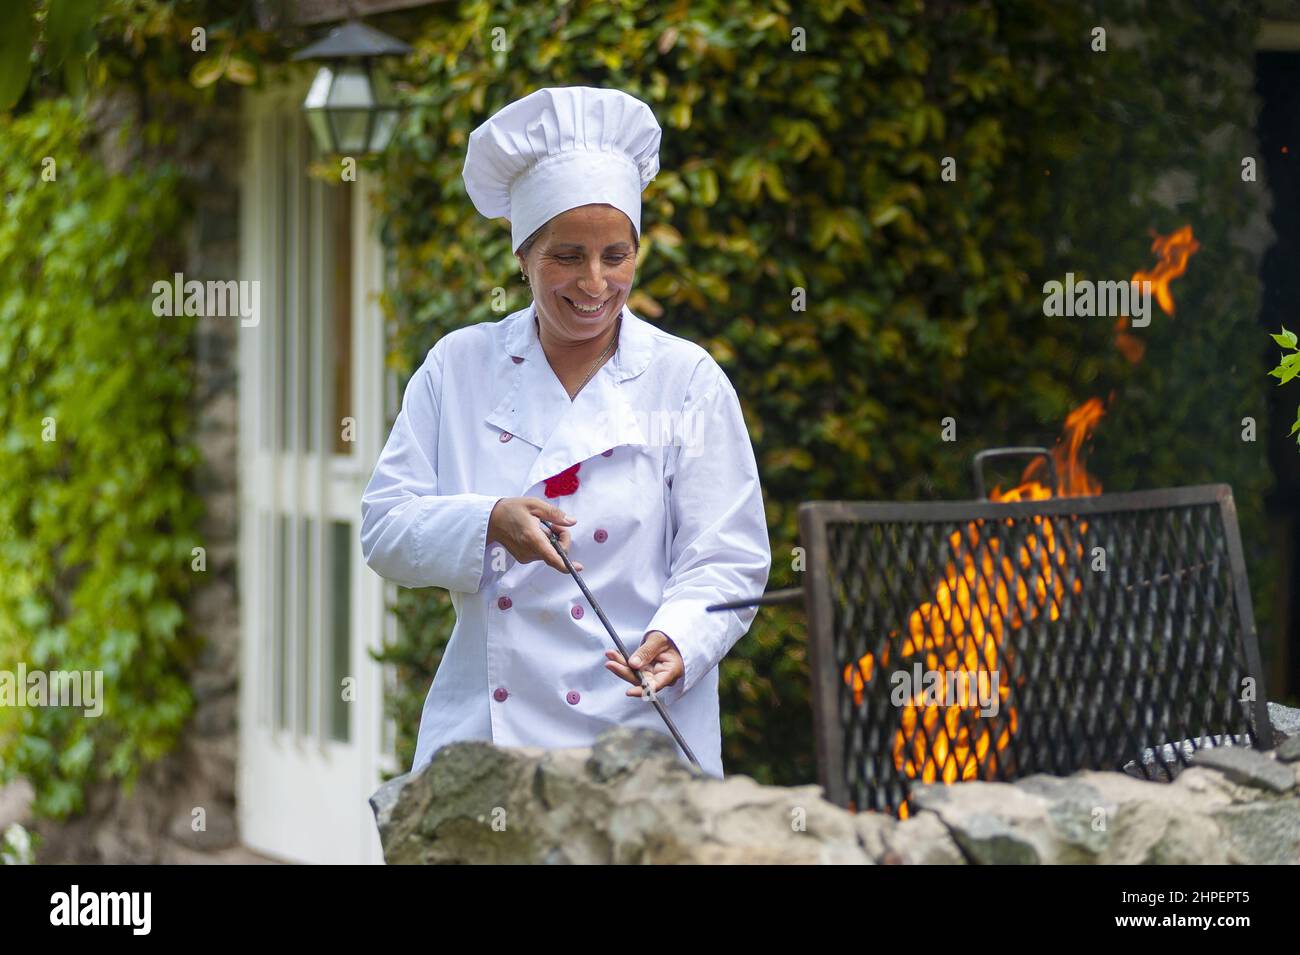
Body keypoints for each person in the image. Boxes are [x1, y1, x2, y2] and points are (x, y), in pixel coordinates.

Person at [360, 86, 771, 778]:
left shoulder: (686, 379)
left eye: (616, 255)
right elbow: (384, 528)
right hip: (489, 743)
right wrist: (489, 519)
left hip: (644, 735)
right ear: (522, 254)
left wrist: (682, 636)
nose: (595, 282)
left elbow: (726, 555)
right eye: (567, 255)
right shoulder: (459, 368)